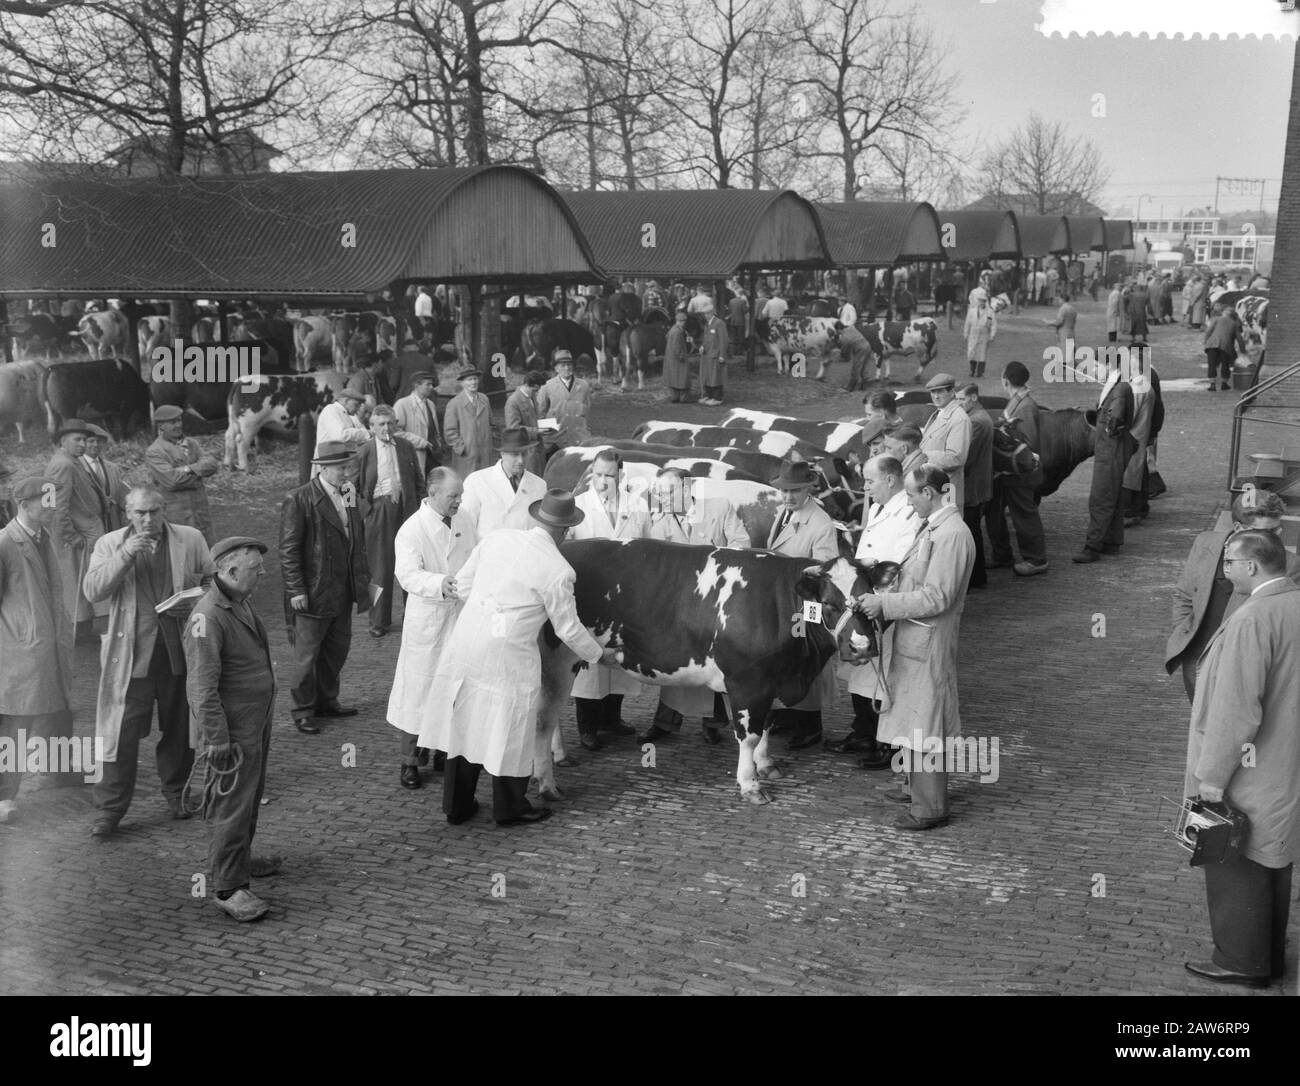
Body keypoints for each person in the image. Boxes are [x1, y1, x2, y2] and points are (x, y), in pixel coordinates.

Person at [420, 489, 615, 827]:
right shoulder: (558, 570)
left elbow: (462, 586)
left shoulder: (498, 538)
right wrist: (600, 654)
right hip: (507, 654)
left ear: (538, 519)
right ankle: (510, 807)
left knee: (464, 722)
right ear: (566, 530)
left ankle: (457, 805)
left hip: (467, 640)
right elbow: (568, 629)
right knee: (510, 727)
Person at [1183, 529, 1300, 988]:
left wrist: (1212, 776)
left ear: (1252, 566)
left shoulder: (1254, 619)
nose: (1225, 570)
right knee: (1273, 859)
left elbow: (1235, 708)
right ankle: (1266, 952)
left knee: (1234, 860)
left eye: (1230, 562)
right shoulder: (1293, 604)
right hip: (1282, 762)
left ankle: (1240, 959)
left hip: (1249, 768)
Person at [82, 487, 214, 837]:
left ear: (164, 509)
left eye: (154, 512)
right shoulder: (109, 543)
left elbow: (212, 579)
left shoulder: (190, 537)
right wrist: (126, 554)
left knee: (180, 729)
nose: (148, 519)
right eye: (140, 513)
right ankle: (109, 810)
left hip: (177, 654)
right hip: (131, 658)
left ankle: (178, 794)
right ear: (128, 513)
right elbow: (93, 590)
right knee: (119, 735)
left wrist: (197, 602)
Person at [852, 465, 974, 831]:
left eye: (911, 494)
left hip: (928, 640)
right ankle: (914, 788)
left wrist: (886, 606)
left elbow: (938, 596)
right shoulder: (934, 527)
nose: (907, 501)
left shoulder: (951, 535)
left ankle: (930, 806)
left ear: (930, 494)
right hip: (915, 638)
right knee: (913, 718)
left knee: (925, 722)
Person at [184, 536, 279, 922]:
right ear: (230, 570)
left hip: (255, 721)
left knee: (248, 798)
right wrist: (217, 739)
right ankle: (227, 888)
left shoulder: (237, 600)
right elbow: (201, 687)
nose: (263, 574)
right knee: (231, 806)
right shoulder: (208, 616)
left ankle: (239, 862)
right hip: (234, 729)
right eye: (256, 568)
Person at [638, 467, 748, 744]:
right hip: (681, 608)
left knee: (718, 663)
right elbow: (657, 569)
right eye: (658, 492)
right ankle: (665, 722)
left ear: (687, 489)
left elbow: (742, 544)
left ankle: (713, 722)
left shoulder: (719, 507)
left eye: (669, 491)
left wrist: (713, 569)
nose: (661, 498)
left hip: (719, 604)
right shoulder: (660, 524)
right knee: (676, 662)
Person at [1165, 488, 1300, 702]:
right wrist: (1184, 633)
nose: (1278, 537)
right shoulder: (1205, 543)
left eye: (1278, 528)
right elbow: (1183, 593)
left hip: (1241, 667)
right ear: (1239, 528)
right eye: (1267, 532)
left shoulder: (1290, 565)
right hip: (1196, 660)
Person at [829, 454, 920, 764]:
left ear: (891, 479)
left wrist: (877, 598)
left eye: (869, 481)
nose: (865, 487)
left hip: (882, 602)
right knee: (862, 669)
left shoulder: (908, 512)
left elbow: (899, 563)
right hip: (863, 598)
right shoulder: (882, 506)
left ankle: (888, 742)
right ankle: (864, 732)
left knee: (884, 675)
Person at [388, 468, 475, 789]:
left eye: (461, 495)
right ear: (433, 493)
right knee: (419, 692)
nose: (459, 501)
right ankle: (410, 762)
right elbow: (407, 575)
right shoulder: (411, 530)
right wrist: (440, 583)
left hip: (459, 615)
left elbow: (474, 556)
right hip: (429, 620)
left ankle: (443, 750)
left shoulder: (464, 519)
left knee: (453, 688)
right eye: (453, 496)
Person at [279, 441, 370, 734]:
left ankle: (327, 700)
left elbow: (356, 538)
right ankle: (303, 709)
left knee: (336, 650)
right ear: (323, 468)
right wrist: (296, 590)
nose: (347, 473)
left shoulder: (347, 494)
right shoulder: (299, 498)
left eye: (348, 466)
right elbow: (289, 550)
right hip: (314, 589)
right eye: (341, 467)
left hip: (342, 588)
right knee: (307, 656)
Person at [0, 477, 73, 826]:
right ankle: (5, 797)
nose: (51, 506)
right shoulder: (5, 543)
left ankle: (60, 772)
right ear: (25, 505)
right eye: (44, 501)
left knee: (55, 712)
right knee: (14, 727)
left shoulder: (44, 538)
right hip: (20, 653)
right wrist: (19, 637)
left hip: (48, 647)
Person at [568, 451, 648, 751]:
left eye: (609, 476)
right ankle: (587, 726)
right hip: (590, 597)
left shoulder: (637, 506)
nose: (602, 482)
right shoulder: (578, 507)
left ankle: (612, 718)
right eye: (598, 475)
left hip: (625, 599)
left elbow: (646, 549)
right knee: (589, 661)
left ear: (621, 476)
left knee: (620, 660)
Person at [766, 461, 840, 750]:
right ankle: (787, 716)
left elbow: (824, 572)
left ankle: (810, 726)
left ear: (809, 488)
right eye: (784, 490)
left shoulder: (820, 524)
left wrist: (812, 616)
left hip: (806, 603)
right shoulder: (784, 513)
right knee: (785, 660)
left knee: (807, 658)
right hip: (783, 601)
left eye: (794, 490)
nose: (788, 496)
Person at [356, 405, 422, 638]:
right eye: (381, 424)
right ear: (371, 427)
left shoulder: (405, 447)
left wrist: (419, 510)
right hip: (379, 511)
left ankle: (412, 616)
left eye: (390, 423)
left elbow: (418, 481)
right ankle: (377, 621)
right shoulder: (364, 451)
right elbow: (347, 488)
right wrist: (366, 511)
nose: (386, 428)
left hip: (406, 510)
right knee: (380, 571)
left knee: (411, 564)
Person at [46, 417, 107, 641]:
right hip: (78, 535)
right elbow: (55, 507)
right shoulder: (62, 464)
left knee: (83, 582)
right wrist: (72, 537)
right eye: (77, 439)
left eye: (84, 439)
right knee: (75, 581)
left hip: (86, 531)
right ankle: (76, 633)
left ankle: (83, 628)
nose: (82, 444)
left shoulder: (72, 460)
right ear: (63, 440)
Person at [986, 362, 1048, 577]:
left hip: (1021, 473)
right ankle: (1003, 554)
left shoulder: (1026, 406)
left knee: (1024, 515)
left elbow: (1029, 442)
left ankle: (1036, 559)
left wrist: (1005, 432)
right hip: (1010, 471)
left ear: (1006, 381)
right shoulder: (1020, 401)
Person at [1073, 356, 1136, 563]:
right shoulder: (1121, 384)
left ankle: (1092, 546)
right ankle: (1111, 541)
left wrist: (1107, 427)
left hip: (1110, 448)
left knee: (1101, 497)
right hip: (1112, 448)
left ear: (1111, 366)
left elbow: (1115, 416)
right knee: (1113, 495)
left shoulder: (1119, 387)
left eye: (1099, 366)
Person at [145, 404, 218, 541]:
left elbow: (212, 464)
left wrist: (188, 469)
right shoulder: (154, 451)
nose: (178, 425)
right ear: (161, 426)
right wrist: (199, 474)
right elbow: (172, 481)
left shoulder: (192, 444)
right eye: (173, 422)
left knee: (208, 552)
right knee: (183, 554)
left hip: (201, 513)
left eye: (179, 420)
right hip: (178, 517)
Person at [459, 428, 548, 538]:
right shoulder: (477, 481)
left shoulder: (539, 485)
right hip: (488, 552)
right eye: (515, 454)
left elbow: (541, 529)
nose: (520, 460)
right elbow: (465, 526)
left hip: (524, 552)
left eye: (524, 454)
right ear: (502, 453)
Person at [918, 373, 972, 512]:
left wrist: (922, 456)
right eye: (933, 392)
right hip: (932, 486)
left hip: (946, 489)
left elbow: (956, 458)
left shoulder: (959, 418)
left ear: (952, 392)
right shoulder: (938, 413)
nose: (935, 396)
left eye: (940, 391)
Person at [959, 383, 993, 591]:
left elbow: (966, 457)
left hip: (972, 485)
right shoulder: (980, 417)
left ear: (972, 397)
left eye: (961, 399)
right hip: (978, 484)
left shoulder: (976, 421)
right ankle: (977, 576)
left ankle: (976, 577)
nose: (959, 403)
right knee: (973, 532)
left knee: (971, 533)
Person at [537, 350, 593, 452]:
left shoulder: (583, 385)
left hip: (579, 439)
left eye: (569, 364)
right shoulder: (547, 386)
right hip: (555, 440)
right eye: (563, 365)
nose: (567, 368)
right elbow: (540, 412)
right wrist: (546, 435)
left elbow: (587, 410)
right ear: (556, 368)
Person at [393, 370, 445, 479]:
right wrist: (420, 442)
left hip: (433, 455)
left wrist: (438, 444)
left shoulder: (430, 404)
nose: (431, 387)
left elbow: (435, 430)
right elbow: (395, 432)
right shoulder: (402, 404)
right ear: (417, 385)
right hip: (414, 455)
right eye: (428, 384)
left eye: (432, 384)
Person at [443, 366, 493, 477]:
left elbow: (491, 423)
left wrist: (488, 443)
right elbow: (449, 432)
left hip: (485, 453)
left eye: (475, 379)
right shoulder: (454, 403)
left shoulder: (484, 399)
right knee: (467, 485)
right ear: (462, 383)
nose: (473, 382)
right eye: (469, 380)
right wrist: (462, 448)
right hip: (466, 456)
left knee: (485, 483)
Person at [504, 371, 554, 478]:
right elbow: (513, 429)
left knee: (539, 479)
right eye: (535, 390)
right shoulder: (513, 402)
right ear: (526, 385)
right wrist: (537, 431)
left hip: (538, 448)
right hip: (526, 450)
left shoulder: (531, 397)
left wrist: (546, 425)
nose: (536, 392)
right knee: (528, 480)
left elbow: (534, 418)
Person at [84, 423, 127, 533]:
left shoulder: (112, 467)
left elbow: (121, 495)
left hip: (113, 523)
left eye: (99, 441)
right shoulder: (75, 467)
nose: (96, 444)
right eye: (91, 441)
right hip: (90, 525)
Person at [313, 386, 369, 470]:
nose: (358, 409)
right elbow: (341, 435)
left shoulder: (347, 414)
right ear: (346, 401)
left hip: (339, 460)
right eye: (356, 405)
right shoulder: (331, 410)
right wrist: (366, 434)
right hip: (327, 461)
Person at [1203, 303, 1244, 392]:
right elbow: (1239, 339)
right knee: (1225, 365)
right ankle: (1224, 384)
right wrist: (1243, 351)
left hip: (1212, 344)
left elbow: (1208, 331)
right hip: (1225, 346)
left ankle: (1212, 384)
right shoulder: (1234, 324)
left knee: (1212, 364)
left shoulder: (1216, 319)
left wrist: (1205, 342)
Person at [963, 284, 997, 378]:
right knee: (971, 352)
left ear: (985, 302)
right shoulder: (972, 311)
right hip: (973, 334)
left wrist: (992, 335)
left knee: (982, 354)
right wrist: (966, 333)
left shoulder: (990, 312)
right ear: (978, 302)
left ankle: (980, 372)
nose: (982, 303)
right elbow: (967, 323)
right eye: (980, 301)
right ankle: (972, 370)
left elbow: (993, 324)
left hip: (984, 334)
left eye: (983, 301)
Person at [697, 307, 728, 405]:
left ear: (712, 313)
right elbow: (706, 338)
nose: (706, 315)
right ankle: (709, 396)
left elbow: (724, 340)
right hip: (707, 354)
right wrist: (702, 346)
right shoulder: (707, 324)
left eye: (707, 313)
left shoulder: (719, 323)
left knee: (716, 376)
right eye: (704, 314)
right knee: (708, 376)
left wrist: (722, 355)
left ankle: (717, 398)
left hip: (716, 355)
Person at [662, 307, 691, 404]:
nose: (685, 323)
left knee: (674, 378)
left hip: (671, 358)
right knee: (682, 377)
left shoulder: (673, 329)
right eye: (684, 321)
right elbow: (677, 347)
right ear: (680, 321)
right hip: (677, 359)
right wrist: (682, 356)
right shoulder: (677, 332)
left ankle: (675, 397)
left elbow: (666, 338)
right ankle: (683, 398)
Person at [840, 319, 874, 393]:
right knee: (865, 366)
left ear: (838, 330)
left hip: (861, 349)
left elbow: (844, 349)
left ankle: (851, 386)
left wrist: (844, 356)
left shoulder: (844, 336)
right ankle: (864, 385)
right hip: (868, 345)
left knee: (856, 366)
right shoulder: (851, 328)